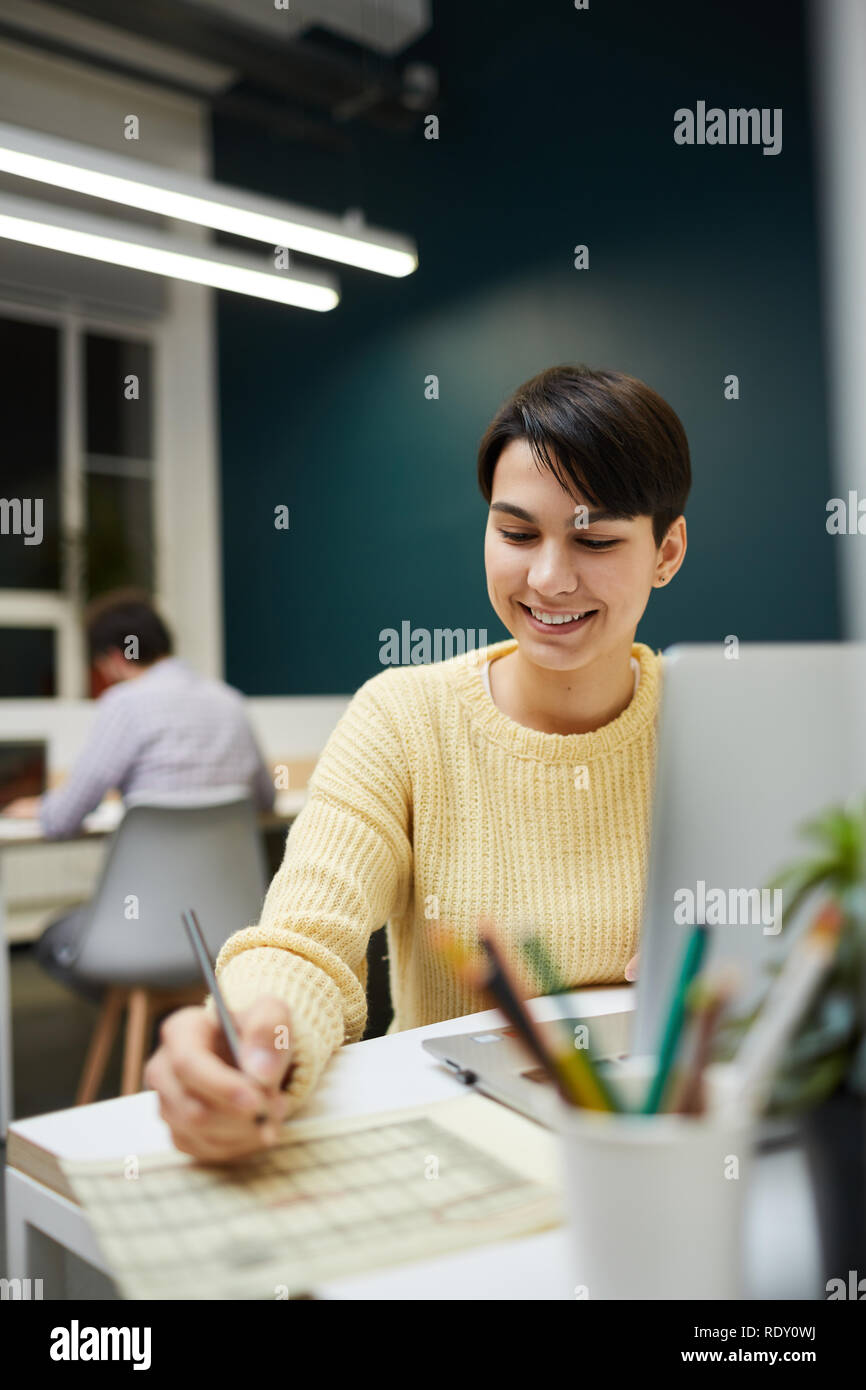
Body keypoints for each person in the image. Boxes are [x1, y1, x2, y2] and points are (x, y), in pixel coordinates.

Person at [145, 364, 689, 1161]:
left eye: (595, 539)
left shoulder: (715, 722)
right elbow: (304, 936)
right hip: (460, 1145)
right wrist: (260, 1029)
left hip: (667, 1140)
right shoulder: (403, 717)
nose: (548, 577)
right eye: (516, 533)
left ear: (666, 551)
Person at [2, 590, 275, 996]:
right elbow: (265, 802)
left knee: (54, 941)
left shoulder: (125, 705)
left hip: (141, 930)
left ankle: (149, 1022)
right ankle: (176, 1016)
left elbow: (63, 820)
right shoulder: (230, 702)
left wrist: (35, 808)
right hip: (232, 926)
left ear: (113, 658)